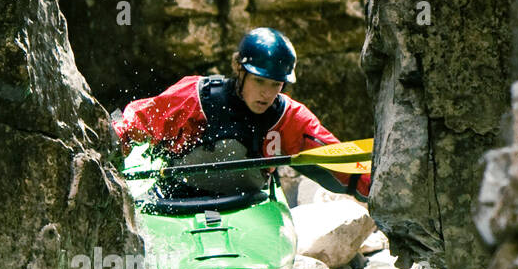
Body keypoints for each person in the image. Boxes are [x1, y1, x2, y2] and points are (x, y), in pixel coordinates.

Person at [113, 28, 370, 203]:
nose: (267, 94)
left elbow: (341, 161)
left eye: (276, 84)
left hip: (248, 202)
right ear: (239, 68)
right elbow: (137, 123)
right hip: (176, 198)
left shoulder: (291, 119)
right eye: (259, 81)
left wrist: (378, 191)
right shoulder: (195, 97)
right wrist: (110, 147)